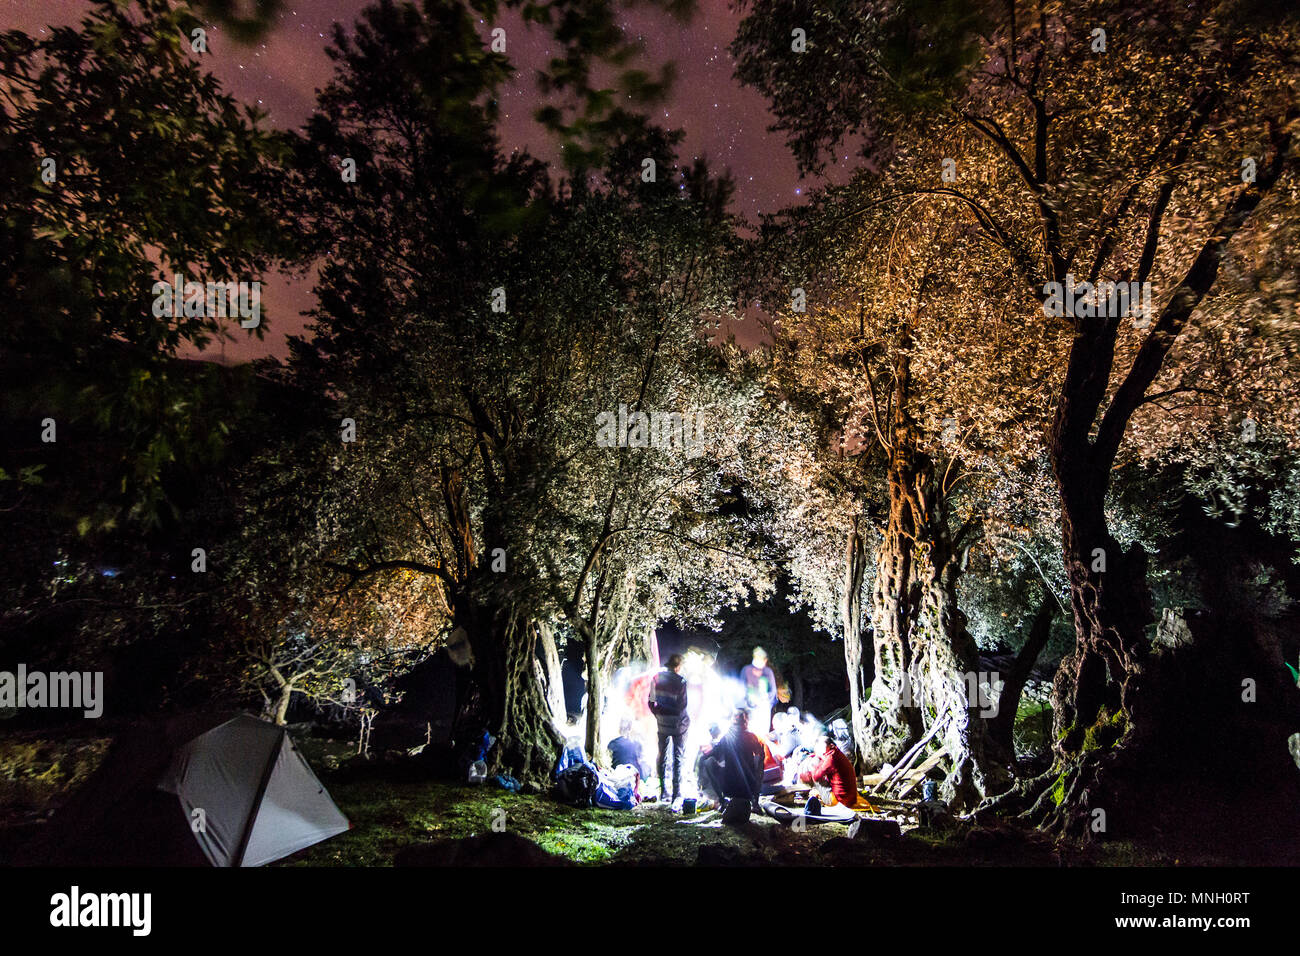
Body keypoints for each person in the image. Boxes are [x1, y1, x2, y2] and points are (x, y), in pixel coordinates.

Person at [648, 654, 689, 808]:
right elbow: (682, 707)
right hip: (678, 725)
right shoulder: (681, 682)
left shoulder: (656, 678)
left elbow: (651, 702)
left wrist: (658, 714)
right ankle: (676, 793)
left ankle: (663, 790)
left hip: (661, 723)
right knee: (678, 757)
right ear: (678, 667)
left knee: (662, 755)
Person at [712, 709, 766, 822]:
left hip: (730, 786)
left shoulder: (727, 737)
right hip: (748, 785)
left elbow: (716, 755)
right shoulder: (751, 737)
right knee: (760, 765)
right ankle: (755, 802)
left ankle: (722, 801)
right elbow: (760, 754)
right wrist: (757, 771)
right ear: (745, 722)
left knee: (710, 763)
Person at [798, 733, 859, 809]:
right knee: (817, 763)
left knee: (814, 767)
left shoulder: (831, 759)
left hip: (839, 802)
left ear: (830, 746)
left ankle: (803, 793)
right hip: (851, 799)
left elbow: (816, 776)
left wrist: (806, 775)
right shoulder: (836, 752)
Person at [740, 647, 778, 734]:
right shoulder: (746, 670)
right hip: (749, 707)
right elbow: (741, 688)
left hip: (763, 708)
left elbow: (773, 691)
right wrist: (747, 702)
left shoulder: (768, 672)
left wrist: (764, 700)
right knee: (750, 734)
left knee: (761, 734)